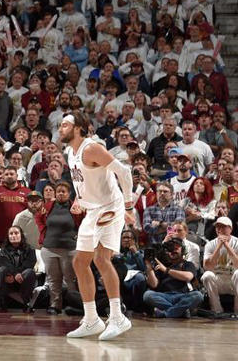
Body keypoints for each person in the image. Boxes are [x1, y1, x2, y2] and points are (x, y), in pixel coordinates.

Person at [59, 112, 133, 340]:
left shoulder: (91, 148)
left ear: (79, 128)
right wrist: (78, 200)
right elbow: (82, 179)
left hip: (111, 206)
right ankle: (91, 319)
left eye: (65, 125)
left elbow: (124, 171)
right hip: (93, 209)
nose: (60, 129)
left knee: (101, 259)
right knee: (80, 262)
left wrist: (129, 206)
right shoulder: (69, 151)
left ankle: (118, 317)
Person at [36, 181, 82, 314]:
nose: (61, 194)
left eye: (64, 191)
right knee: (53, 279)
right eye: (59, 191)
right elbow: (38, 217)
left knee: (70, 279)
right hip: (49, 248)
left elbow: (83, 222)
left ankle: (74, 305)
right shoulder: (48, 206)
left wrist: (78, 235)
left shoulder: (75, 207)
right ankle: (55, 305)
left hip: (69, 249)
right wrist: (43, 231)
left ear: (69, 194)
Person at [142, 237, 203, 318]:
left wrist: (166, 270)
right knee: (147, 295)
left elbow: (188, 277)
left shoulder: (187, 264)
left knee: (198, 295)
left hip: (182, 296)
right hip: (164, 296)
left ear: (183, 250)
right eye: (170, 248)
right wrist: (149, 268)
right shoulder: (160, 265)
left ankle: (166, 314)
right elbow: (154, 284)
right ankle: (180, 311)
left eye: (176, 247)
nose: (173, 250)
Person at [0, 225, 37, 312]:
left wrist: (17, 274)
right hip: (9, 280)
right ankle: (2, 303)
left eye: (16, 233)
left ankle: (27, 303)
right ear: (8, 236)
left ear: (21, 235)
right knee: (1, 270)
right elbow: (4, 263)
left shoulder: (30, 250)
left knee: (29, 272)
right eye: (11, 233)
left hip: (23, 279)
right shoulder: (3, 250)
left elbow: (29, 264)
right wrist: (14, 274)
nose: (13, 235)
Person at [201, 216, 238, 316]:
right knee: (207, 275)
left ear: (230, 229)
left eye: (223, 227)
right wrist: (219, 246)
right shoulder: (210, 244)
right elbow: (207, 267)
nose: (219, 229)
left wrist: (226, 245)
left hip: (233, 281)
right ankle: (217, 310)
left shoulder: (237, 242)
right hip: (219, 280)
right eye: (217, 227)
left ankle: (237, 311)